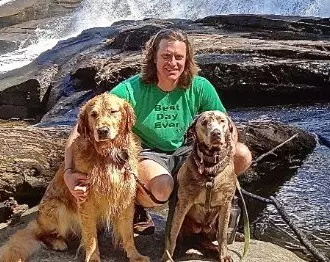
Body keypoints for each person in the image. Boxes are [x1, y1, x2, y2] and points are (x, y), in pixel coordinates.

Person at [63, 28, 252, 235]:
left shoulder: (200, 86)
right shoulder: (131, 90)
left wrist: (227, 152)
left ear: (187, 59)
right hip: (149, 154)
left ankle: (210, 211)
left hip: (190, 152)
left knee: (242, 155)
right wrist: (69, 174)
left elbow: (227, 124)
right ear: (154, 57)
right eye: (166, 56)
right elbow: (81, 129)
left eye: (179, 57)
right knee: (163, 187)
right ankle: (137, 207)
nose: (173, 63)